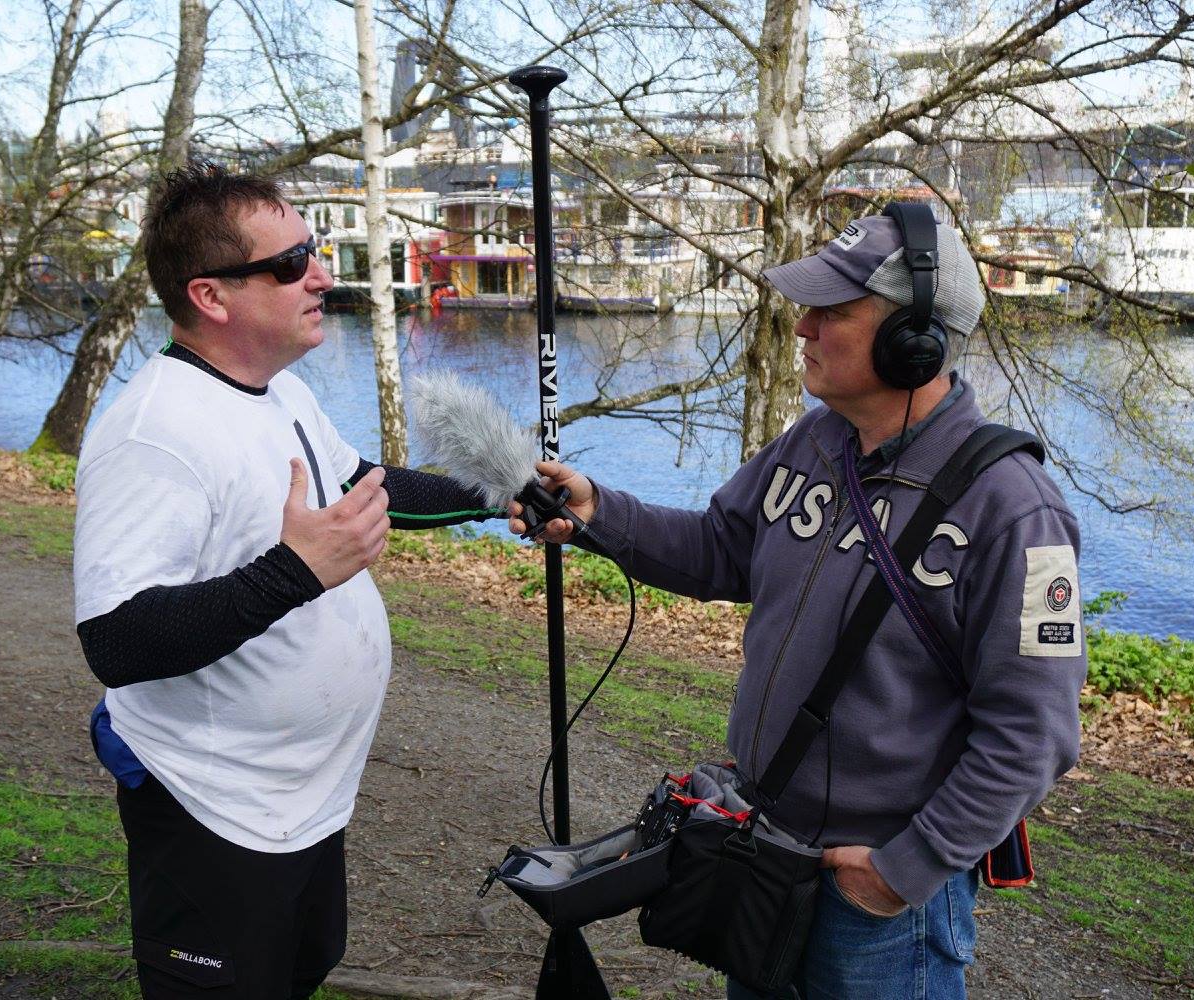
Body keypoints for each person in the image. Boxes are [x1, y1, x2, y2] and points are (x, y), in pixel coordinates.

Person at [510, 209, 1086, 1000]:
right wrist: (599, 513)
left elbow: (1033, 733)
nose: (803, 326)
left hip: (879, 910)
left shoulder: (1015, 509)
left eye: (832, 311)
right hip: (762, 859)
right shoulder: (813, 443)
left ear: (914, 339)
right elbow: (721, 548)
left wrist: (902, 871)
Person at [73, 161, 499, 999]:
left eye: (314, 251)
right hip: (212, 803)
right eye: (291, 262)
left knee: (300, 968)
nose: (322, 274)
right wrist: (296, 572)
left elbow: (364, 486)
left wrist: (497, 493)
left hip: (302, 797)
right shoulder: (153, 434)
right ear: (211, 296)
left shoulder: (279, 392)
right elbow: (115, 640)